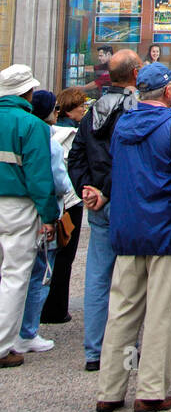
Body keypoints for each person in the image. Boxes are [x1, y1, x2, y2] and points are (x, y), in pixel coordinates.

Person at [95, 62, 171, 412]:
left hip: (127, 228)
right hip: (166, 229)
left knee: (122, 312)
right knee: (164, 312)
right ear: (168, 91)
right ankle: (150, 391)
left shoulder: (121, 127)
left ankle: (110, 389)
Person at [68, 48, 141, 372]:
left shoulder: (93, 111)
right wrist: (104, 192)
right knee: (132, 279)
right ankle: (126, 350)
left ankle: (95, 351)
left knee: (98, 277)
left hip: (99, 201)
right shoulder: (135, 109)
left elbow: (76, 156)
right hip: (125, 201)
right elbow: (131, 160)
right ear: (135, 73)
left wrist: (87, 189)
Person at [0, 65, 58, 368]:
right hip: (18, 206)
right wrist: (49, 216)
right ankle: (2, 345)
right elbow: (39, 177)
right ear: (27, 93)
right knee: (15, 275)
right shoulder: (33, 125)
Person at [13, 88, 75, 354]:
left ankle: (13, 328)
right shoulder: (48, 140)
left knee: (15, 272)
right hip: (41, 213)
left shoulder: (19, 131)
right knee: (40, 273)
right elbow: (58, 182)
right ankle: (27, 331)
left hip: (17, 210)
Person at [40, 87, 89, 325]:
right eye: (81, 106)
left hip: (49, 200)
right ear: (69, 110)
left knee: (45, 257)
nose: (84, 110)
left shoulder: (45, 134)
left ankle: (41, 307)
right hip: (71, 201)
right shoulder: (72, 136)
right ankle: (57, 309)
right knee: (65, 257)